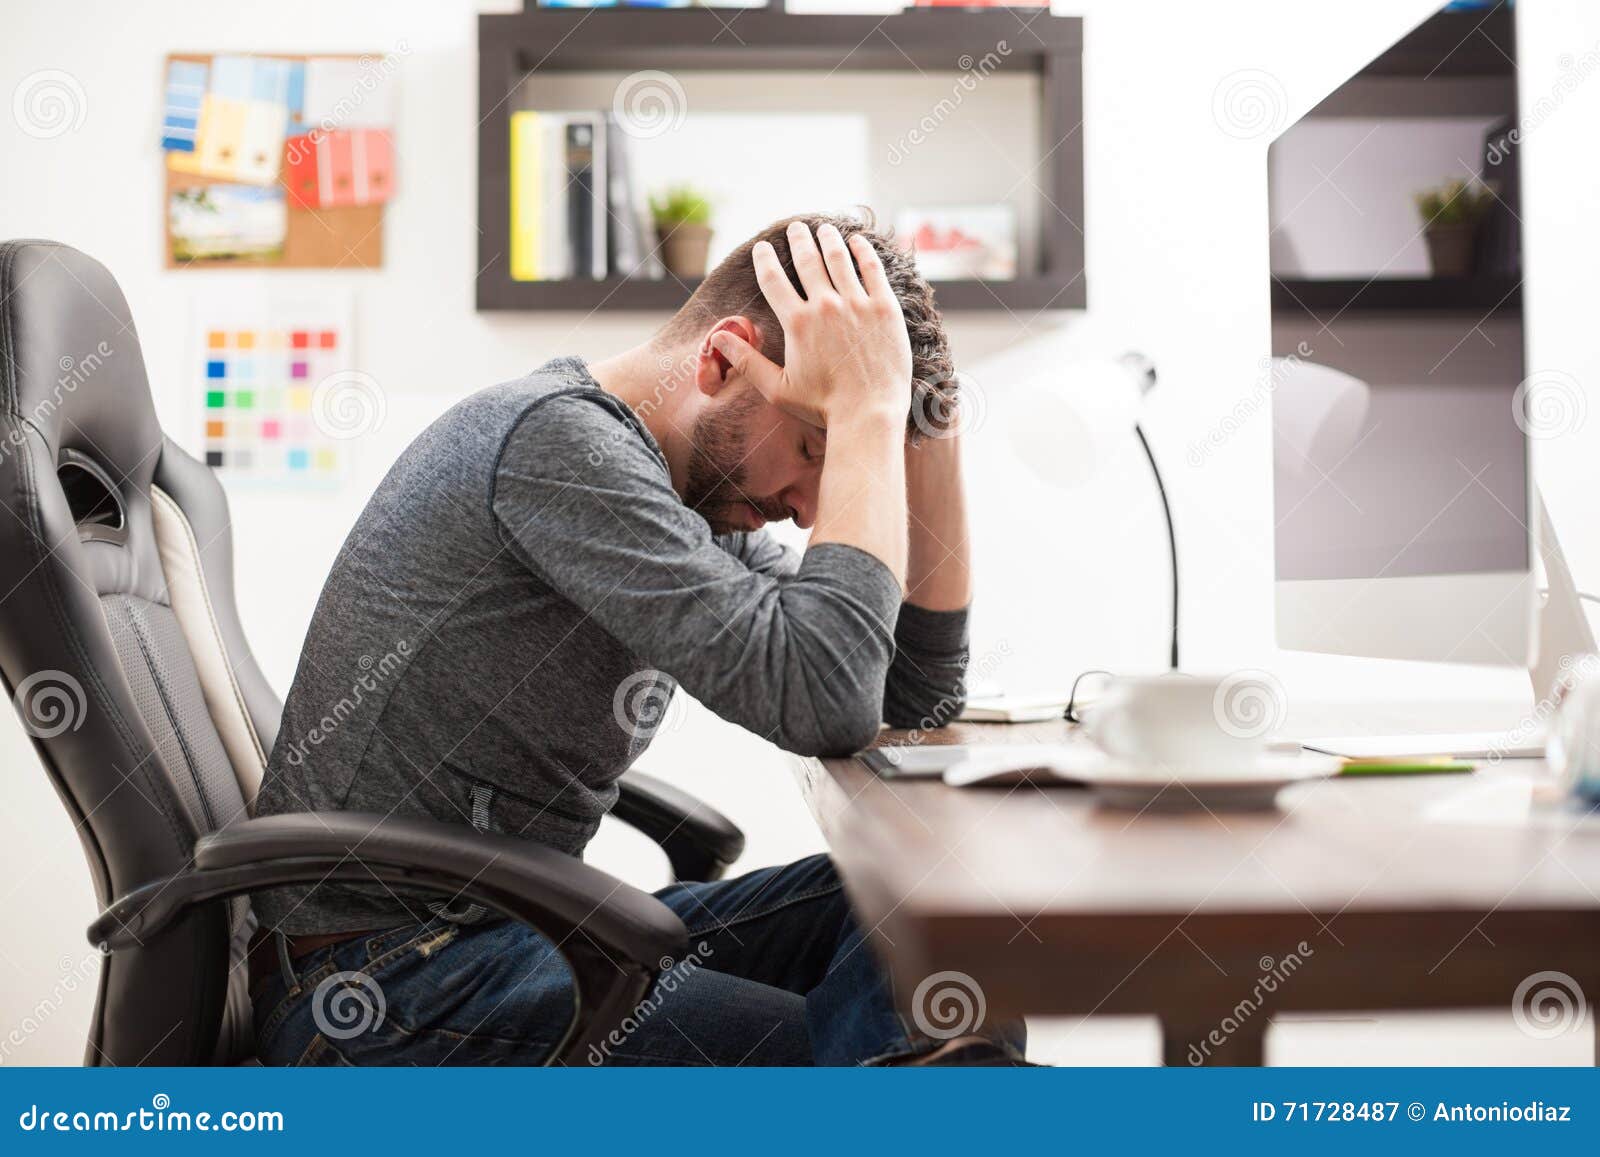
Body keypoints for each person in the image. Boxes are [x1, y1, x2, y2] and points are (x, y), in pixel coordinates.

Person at [249, 213, 1021, 1065]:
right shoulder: (556, 444)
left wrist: (926, 418)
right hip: (384, 989)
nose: (811, 507)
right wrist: (868, 413)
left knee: (938, 912)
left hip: (523, 935)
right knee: (880, 1055)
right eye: (813, 448)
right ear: (723, 359)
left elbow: (907, 698)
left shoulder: (691, 502)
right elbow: (826, 700)